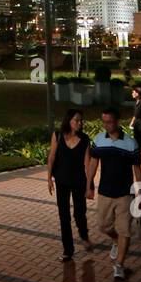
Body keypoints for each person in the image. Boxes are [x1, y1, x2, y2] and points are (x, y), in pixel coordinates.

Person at [87, 106, 141, 280]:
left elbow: (138, 171)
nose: (106, 125)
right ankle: (115, 240)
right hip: (105, 192)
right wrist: (88, 184)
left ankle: (119, 265)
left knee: (125, 230)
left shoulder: (130, 143)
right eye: (104, 122)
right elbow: (93, 164)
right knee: (103, 226)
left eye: (109, 122)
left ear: (117, 122)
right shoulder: (99, 140)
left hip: (125, 194)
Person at [47, 108, 91, 262]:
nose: (80, 123)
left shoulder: (85, 139)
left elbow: (87, 164)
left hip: (79, 181)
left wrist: (89, 185)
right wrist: (49, 178)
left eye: (81, 120)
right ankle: (68, 250)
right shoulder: (58, 136)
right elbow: (51, 157)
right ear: (69, 121)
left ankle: (84, 235)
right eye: (76, 120)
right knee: (63, 216)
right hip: (62, 181)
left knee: (79, 213)